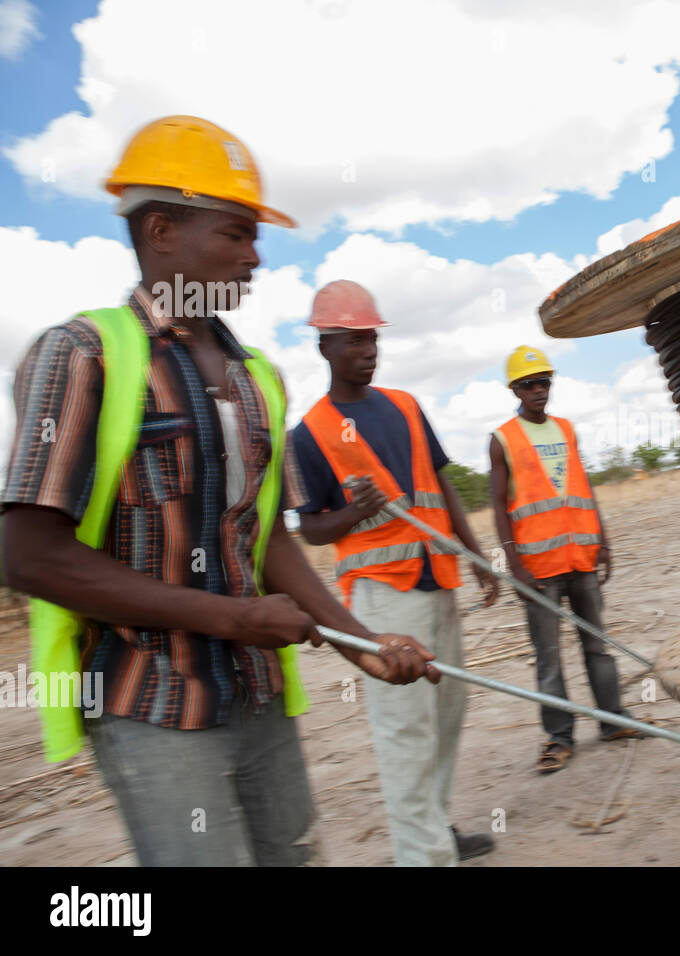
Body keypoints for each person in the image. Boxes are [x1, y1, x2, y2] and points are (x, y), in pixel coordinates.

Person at [2, 115, 437, 867]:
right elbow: (29, 557)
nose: (255, 255)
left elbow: (265, 536)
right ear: (163, 230)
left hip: (258, 693)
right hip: (152, 703)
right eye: (235, 233)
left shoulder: (256, 377)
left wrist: (359, 643)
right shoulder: (80, 356)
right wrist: (234, 618)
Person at [293, 279, 500, 865]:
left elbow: (442, 489)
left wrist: (477, 556)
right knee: (405, 731)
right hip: (383, 600)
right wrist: (353, 512)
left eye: (372, 338)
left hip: (439, 581)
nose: (368, 349)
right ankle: (423, 855)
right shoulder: (308, 434)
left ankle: (433, 830)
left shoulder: (407, 406)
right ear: (325, 346)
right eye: (355, 340)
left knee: (444, 716)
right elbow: (308, 529)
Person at [488, 346, 640, 773]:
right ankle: (559, 738)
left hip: (582, 558)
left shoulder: (567, 429)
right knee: (549, 657)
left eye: (544, 382)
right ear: (515, 389)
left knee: (598, 645)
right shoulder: (502, 439)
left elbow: (583, 486)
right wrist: (514, 564)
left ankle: (614, 722)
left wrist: (603, 541)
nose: (538, 390)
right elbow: (498, 505)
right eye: (529, 384)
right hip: (538, 569)